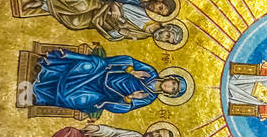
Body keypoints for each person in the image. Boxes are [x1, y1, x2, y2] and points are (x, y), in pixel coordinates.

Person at [31, 49, 185, 115]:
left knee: (78, 99)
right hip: (104, 73)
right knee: (91, 64)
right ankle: (51, 64)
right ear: (170, 78)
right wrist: (130, 70)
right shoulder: (150, 72)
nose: (169, 86)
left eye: (172, 89)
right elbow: (129, 60)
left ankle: (43, 96)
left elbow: (126, 107)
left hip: (103, 93)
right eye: (172, 83)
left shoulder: (149, 97)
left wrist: (129, 98)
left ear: (169, 94)